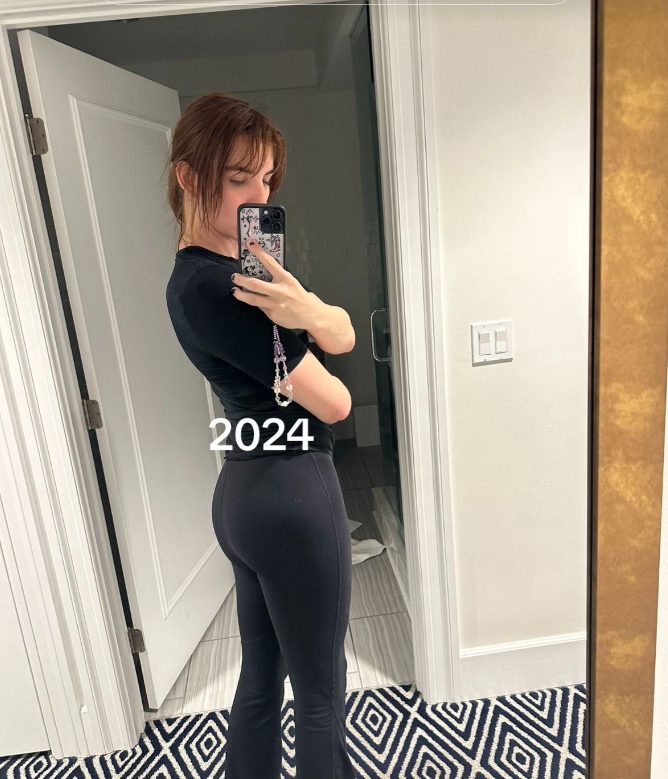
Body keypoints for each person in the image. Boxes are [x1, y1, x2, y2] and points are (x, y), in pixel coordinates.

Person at [164, 92, 357, 779]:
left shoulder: (212, 277)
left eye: (268, 178)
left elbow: (343, 333)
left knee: (262, 675)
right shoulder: (222, 290)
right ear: (189, 176)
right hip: (293, 491)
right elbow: (336, 402)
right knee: (321, 694)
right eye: (239, 177)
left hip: (244, 492)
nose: (259, 195)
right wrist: (307, 316)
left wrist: (306, 309)